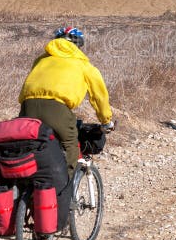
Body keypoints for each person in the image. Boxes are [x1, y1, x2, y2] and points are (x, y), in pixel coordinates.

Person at [18, 26, 114, 178]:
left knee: (27, 145)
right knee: (70, 146)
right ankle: (64, 191)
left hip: (27, 106)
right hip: (57, 109)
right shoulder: (84, 65)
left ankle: (25, 185)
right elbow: (99, 96)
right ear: (78, 46)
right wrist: (106, 121)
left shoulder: (40, 60)